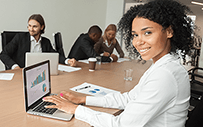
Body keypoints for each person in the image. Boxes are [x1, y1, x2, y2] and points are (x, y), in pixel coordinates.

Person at [43, 0, 198, 126]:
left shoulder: (166, 75)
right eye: (135, 35)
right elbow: (129, 99)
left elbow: (121, 124)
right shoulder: (162, 66)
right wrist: (83, 99)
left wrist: (76, 109)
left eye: (148, 33)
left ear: (169, 32)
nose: (138, 42)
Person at [0, 14, 76, 70]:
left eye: (34, 26)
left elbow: (55, 55)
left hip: (39, 72)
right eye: (29, 26)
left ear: (42, 27)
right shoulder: (20, 38)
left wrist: (67, 60)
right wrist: (15, 66)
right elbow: (3, 54)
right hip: (21, 74)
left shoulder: (46, 42)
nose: (31, 29)